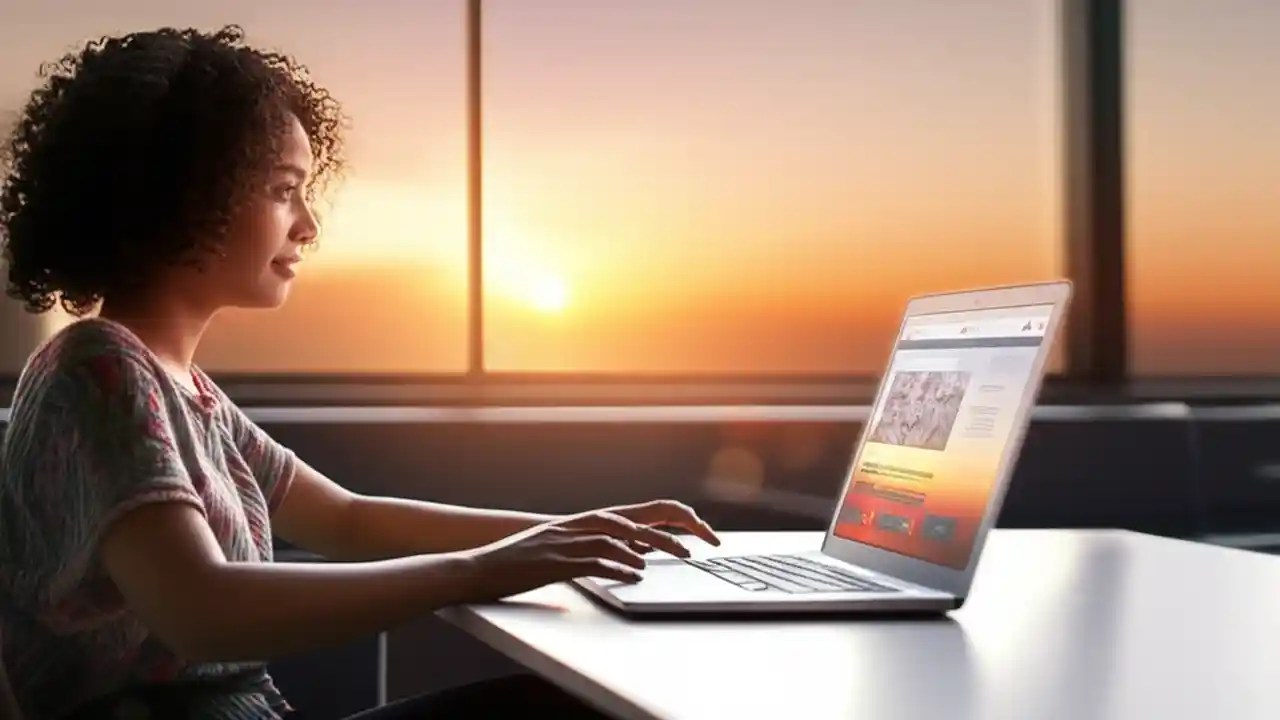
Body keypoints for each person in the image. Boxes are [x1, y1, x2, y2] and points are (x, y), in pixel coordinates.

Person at [0, 25, 721, 720]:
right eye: (284, 189)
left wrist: (577, 534)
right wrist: (489, 568)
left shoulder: (180, 390)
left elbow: (345, 519)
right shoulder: (101, 369)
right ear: (187, 194)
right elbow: (202, 613)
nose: (308, 224)